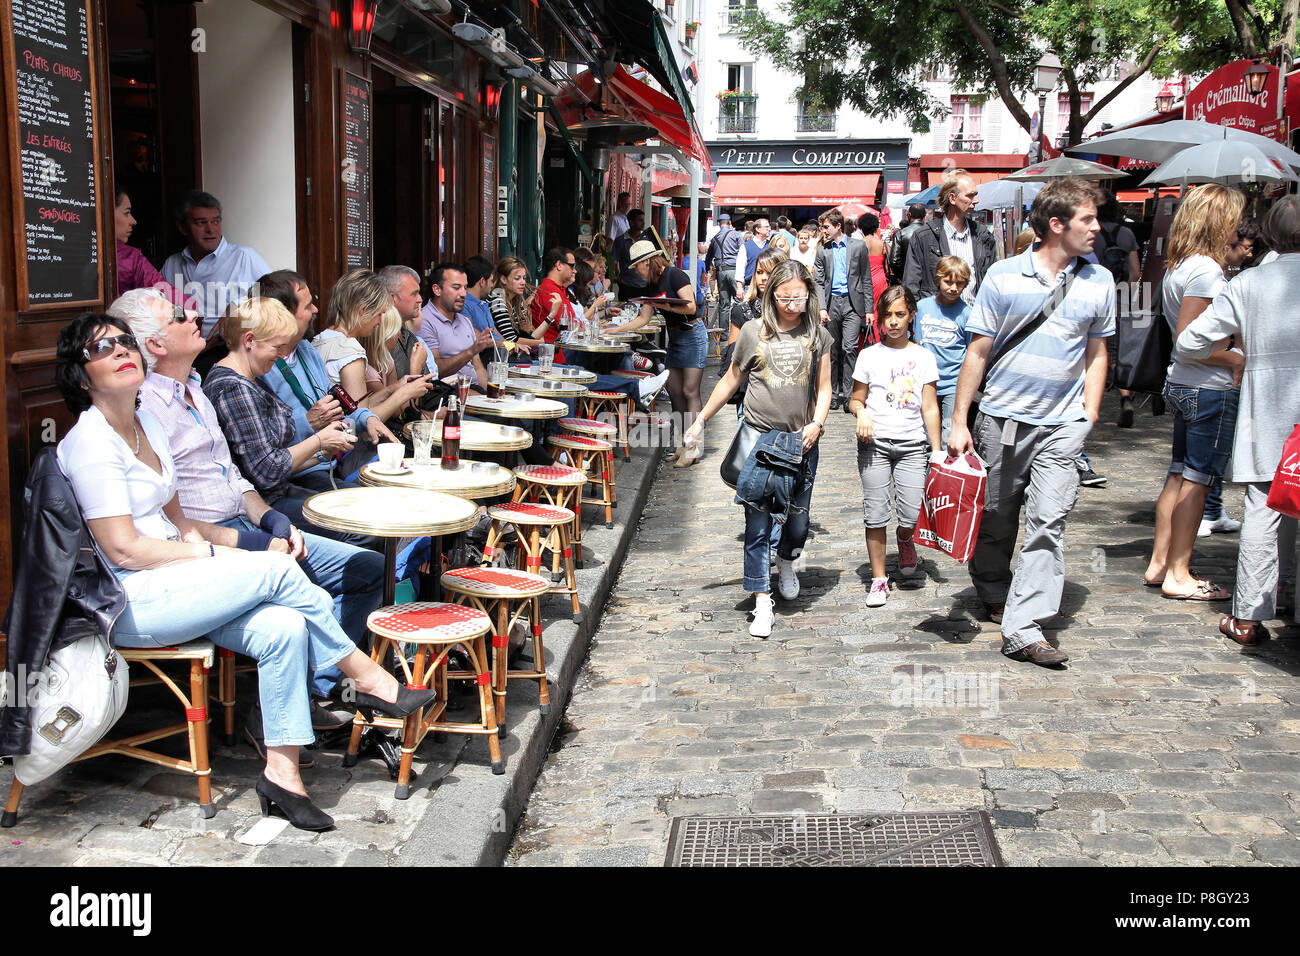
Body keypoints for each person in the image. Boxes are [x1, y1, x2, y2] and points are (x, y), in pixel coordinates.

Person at [54, 312, 433, 831]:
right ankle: (369, 679)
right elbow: (123, 551)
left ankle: (282, 776)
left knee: (285, 626)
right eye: (101, 349)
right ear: (81, 376)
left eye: (124, 341)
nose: (120, 351)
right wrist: (224, 559)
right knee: (277, 572)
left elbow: (182, 523)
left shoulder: (146, 427)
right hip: (130, 601)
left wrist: (239, 543)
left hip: (180, 582)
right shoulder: (91, 442)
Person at [109, 287, 385, 741]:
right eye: (179, 314)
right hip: (207, 544)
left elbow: (236, 477)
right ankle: (346, 686)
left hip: (247, 518)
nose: (195, 312)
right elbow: (169, 518)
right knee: (309, 583)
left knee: (367, 565)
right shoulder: (148, 408)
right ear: (155, 345)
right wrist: (256, 539)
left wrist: (269, 521)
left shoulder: (194, 388)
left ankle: (324, 689)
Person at [946, 177, 1115, 668]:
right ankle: (993, 585)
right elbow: (977, 352)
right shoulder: (1003, 276)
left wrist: (1090, 413)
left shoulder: (1098, 280)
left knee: (1048, 523)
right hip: (1002, 419)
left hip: (1063, 425)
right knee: (997, 518)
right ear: (1056, 224)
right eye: (1088, 219)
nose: (1096, 228)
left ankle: (1023, 627)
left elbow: (1097, 351)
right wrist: (960, 422)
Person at [684, 259, 833, 638]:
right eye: (783, 297)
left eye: (798, 298)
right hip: (759, 442)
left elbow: (825, 387)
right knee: (757, 524)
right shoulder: (753, 332)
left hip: (801, 440)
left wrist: (817, 423)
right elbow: (731, 380)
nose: (790, 305)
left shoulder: (817, 334)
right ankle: (761, 601)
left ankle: (785, 560)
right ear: (771, 295)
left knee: (798, 525)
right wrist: (700, 419)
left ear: (808, 296)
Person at [1178, 195, 1300, 645]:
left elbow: (1190, 342)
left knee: (1266, 505)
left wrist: (1242, 355)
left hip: (1269, 410)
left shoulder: (1248, 282)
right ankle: (1286, 597)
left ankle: (1249, 614)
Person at [1141, 184, 1245, 601]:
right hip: (1205, 386)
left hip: (1186, 383)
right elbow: (1190, 338)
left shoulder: (1183, 265)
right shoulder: (1205, 270)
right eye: (1234, 220)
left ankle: (1161, 563)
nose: (1238, 230)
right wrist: (1235, 358)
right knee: (1196, 480)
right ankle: (1177, 572)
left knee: (1180, 473)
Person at [204, 297, 370, 535]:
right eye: (277, 347)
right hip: (264, 505)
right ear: (249, 340)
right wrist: (320, 441)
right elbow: (267, 470)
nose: (282, 355)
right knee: (361, 528)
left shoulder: (251, 378)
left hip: (281, 491)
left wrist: (324, 450)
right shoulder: (234, 388)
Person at [255, 270, 397, 503]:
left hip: (330, 462)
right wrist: (308, 423)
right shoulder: (260, 366)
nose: (316, 311)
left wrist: (367, 418)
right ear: (284, 315)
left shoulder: (306, 350)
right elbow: (265, 450)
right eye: (308, 306)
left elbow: (340, 404)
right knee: (379, 509)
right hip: (299, 474)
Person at [850, 285, 942, 608]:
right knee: (875, 513)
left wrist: (938, 448)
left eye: (899, 314)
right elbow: (855, 399)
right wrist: (861, 413)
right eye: (887, 315)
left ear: (911, 315)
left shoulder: (923, 357)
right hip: (873, 444)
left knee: (911, 511)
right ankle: (878, 580)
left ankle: (905, 539)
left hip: (913, 444)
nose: (893, 322)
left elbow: (930, 406)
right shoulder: (868, 356)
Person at [604, 240, 703, 465]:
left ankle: (693, 447)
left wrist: (667, 306)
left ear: (647, 261)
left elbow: (691, 306)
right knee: (675, 390)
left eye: (637, 266)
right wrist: (616, 330)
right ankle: (680, 444)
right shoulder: (650, 284)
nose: (636, 271)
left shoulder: (675, 275)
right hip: (676, 336)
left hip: (692, 334)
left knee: (690, 391)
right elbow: (643, 317)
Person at [313, 270, 434, 419]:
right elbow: (361, 419)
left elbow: (355, 404)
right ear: (363, 311)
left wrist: (392, 389)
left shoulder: (320, 339)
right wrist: (404, 393)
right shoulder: (350, 349)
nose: (379, 322)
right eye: (379, 314)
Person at [161, 190, 272, 336]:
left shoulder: (244, 257)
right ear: (182, 228)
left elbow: (276, 298)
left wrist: (237, 308)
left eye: (215, 221)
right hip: (185, 349)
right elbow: (157, 308)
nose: (210, 229)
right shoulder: (172, 264)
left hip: (230, 349)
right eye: (201, 223)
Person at [902, 171, 996, 302]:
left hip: (973, 316)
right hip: (937, 318)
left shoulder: (982, 235)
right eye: (970, 195)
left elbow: (991, 281)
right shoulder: (924, 236)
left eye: (976, 195)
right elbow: (911, 284)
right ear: (952, 198)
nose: (976, 200)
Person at [814, 208, 874, 412]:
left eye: (826, 227)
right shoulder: (823, 250)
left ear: (838, 226)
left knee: (849, 349)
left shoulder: (858, 247)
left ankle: (849, 395)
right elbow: (818, 282)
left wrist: (869, 309)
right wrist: (822, 307)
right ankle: (831, 394)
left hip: (852, 303)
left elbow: (866, 278)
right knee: (832, 352)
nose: (824, 231)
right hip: (832, 304)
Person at [914, 256, 972, 444]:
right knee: (924, 431)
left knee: (949, 433)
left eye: (960, 283)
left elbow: (971, 350)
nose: (953, 288)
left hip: (952, 383)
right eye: (948, 282)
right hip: (924, 381)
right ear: (938, 279)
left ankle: (944, 471)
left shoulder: (967, 313)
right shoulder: (922, 307)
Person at [113, 186, 191, 307]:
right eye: (126, 213)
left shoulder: (78, 251)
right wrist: (187, 314)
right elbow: (172, 299)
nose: (133, 221)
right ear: (107, 212)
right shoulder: (129, 257)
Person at [420, 262, 496, 382]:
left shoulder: (465, 321)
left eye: (465, 288)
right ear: (437, 290)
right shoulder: (424, 320)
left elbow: (478, 368)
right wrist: (471, 351)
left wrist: (490, 397)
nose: (463, 294)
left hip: (475, 394)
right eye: (456, 288)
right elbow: (433, 371)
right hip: (449, 395)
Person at [378, 264, 431, 379]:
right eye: (414, 294)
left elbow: (427, 388)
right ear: (392, 298)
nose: (420, 299)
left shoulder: (409, 336)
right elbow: (397, 395)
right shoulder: (382, 340)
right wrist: (415, 369)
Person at [527, 248, 578, 364]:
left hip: (559, 351)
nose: (575, 271)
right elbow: (570, 327)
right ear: (559, 265)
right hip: (553, 356)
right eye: (572, 266)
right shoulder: (550, 290)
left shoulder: (557, 289)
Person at [488, 256, 542, 352]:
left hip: (511, 353)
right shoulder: (497, 296)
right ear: (504, 279)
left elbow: (529, 334)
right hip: (498, 356)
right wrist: (544, 343)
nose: (523, 282)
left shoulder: (517, 300)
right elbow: (511, 339)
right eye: (517, 278)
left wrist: (550, 317)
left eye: (524, 278)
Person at [705, 213, 742, 326]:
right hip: (734, 270)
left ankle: (724, 334)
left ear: (718, 224)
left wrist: (706, 269)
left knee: (723, 303)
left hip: (721, 271)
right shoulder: (736, 235)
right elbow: (743, 252)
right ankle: (740, 329)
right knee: (739, 301)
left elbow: (708, 257)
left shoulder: (715, 239)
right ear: (730, 223)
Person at [461, 255, 503, 342]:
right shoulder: (463, 305)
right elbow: (478, 340)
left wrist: (512, 346)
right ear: (482, 282)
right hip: (487, 353)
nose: (492, 285)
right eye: (491, 281)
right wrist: (508, 346)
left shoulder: (483, 303)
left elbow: (495, 333)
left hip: (501, 352)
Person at [735, 215, 772, 300]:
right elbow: (740, 268)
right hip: (750, 287)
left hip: (768, 286)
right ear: (758, 229)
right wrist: (739, 287)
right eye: (766, 227)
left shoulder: (771, 245)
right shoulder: (746, 247)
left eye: (769, 227)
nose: (769, 229)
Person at [888, 203, 927, 280]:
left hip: (906, 277)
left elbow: (894, 261)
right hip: (926, 279)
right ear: (924, 215)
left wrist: (902, 275)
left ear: (909, 215)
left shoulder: (901, 233)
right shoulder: (930, 232)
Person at [613, 210, 648, 295]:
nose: (643, 223)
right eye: (640, 220)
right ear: (631, 222)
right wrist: (618, 278)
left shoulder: (647, 239)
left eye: (643, 220)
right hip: (627, 286)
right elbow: (613, 262)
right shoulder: (620, 240)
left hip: (645, 285)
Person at [860, 213, 890, 312]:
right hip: (879, 279)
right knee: (880, 309)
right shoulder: (881, 243)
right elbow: (886, 265)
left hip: (863, 279)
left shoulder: (858, 244)